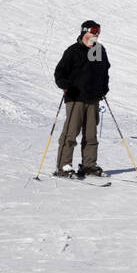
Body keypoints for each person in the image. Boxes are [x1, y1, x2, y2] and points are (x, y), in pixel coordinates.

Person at [52, 20, 110, 178]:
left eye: (98, 31)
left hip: (93, 99)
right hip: (76, 98)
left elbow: (104, 71)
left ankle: (89, 166)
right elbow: (60, 71)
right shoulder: (73, 50)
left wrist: (104, 88)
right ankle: (63, 166)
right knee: (70, 134)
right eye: (93, 31)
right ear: (85, 32)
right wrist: (64, 84)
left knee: (91, 135)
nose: (96, 34)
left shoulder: (99, 50)